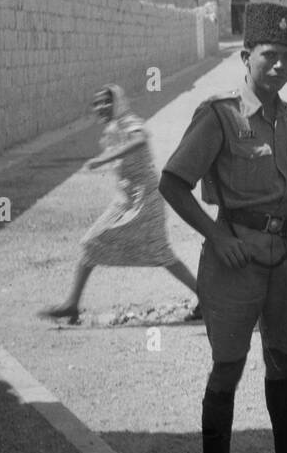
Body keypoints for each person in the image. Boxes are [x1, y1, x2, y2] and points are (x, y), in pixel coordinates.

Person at [158, 3, 287, 453]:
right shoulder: (221, 116)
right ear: (246, 56)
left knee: (283, 363)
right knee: (228, 366)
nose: (281, 66)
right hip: (236, 257)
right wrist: (215, 236)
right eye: (270, 55)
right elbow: (172, 182)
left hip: (285, 257)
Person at [39, 84, 198, 323]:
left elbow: (140, 140)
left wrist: (106, 158)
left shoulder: (129, 121)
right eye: (97, 103)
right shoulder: (113, 128)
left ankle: (207, 298)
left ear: (118, 102)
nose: (101, 107)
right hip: (127, 200)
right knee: (93, 244)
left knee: (160, 253)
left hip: (145, 200)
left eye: (107, 101)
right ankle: (71, 304)